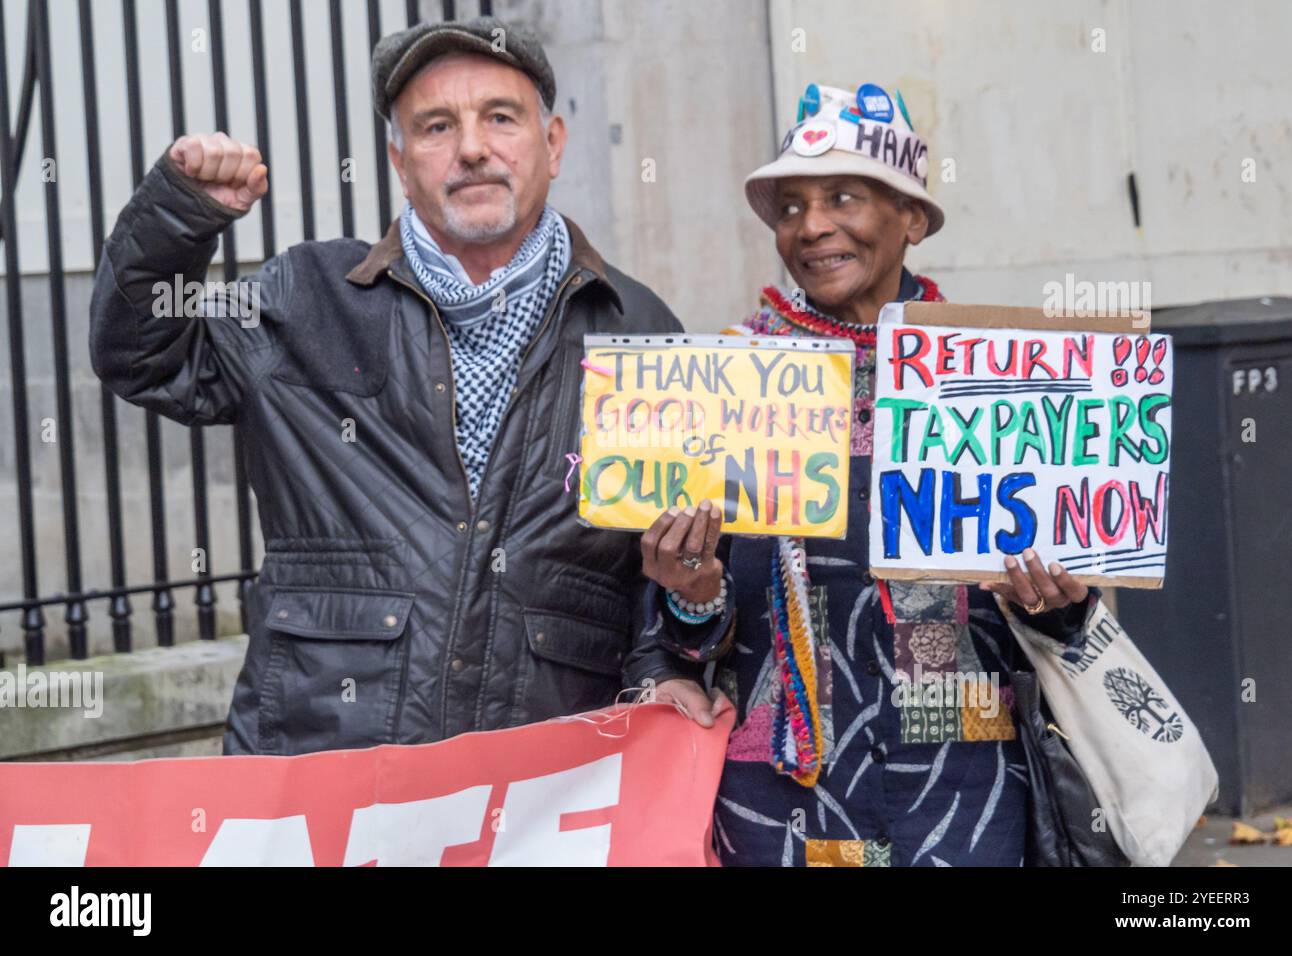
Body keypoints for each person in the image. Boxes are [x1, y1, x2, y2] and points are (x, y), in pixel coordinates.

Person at [89, 16, 705, 756]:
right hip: (321, 789)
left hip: (540, 797)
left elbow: (660, 575)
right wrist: (177, 219)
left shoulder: (638, 327)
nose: (472, 148)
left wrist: (665, 667)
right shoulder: (308, 296)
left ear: (554, 144)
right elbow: (141, 353)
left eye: (500, 118)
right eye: (437, 126)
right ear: (400, 160)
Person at [636, 82, 1102, 866]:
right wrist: (691, 592)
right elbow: (681, 643)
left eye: (843, 197)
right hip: (783, 798)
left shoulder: (999, 376)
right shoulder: (725, 383)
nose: (812, 226)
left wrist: (1057, 604)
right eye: (790, 207)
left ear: (911, 218)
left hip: (962, 790)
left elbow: (1064, 621)